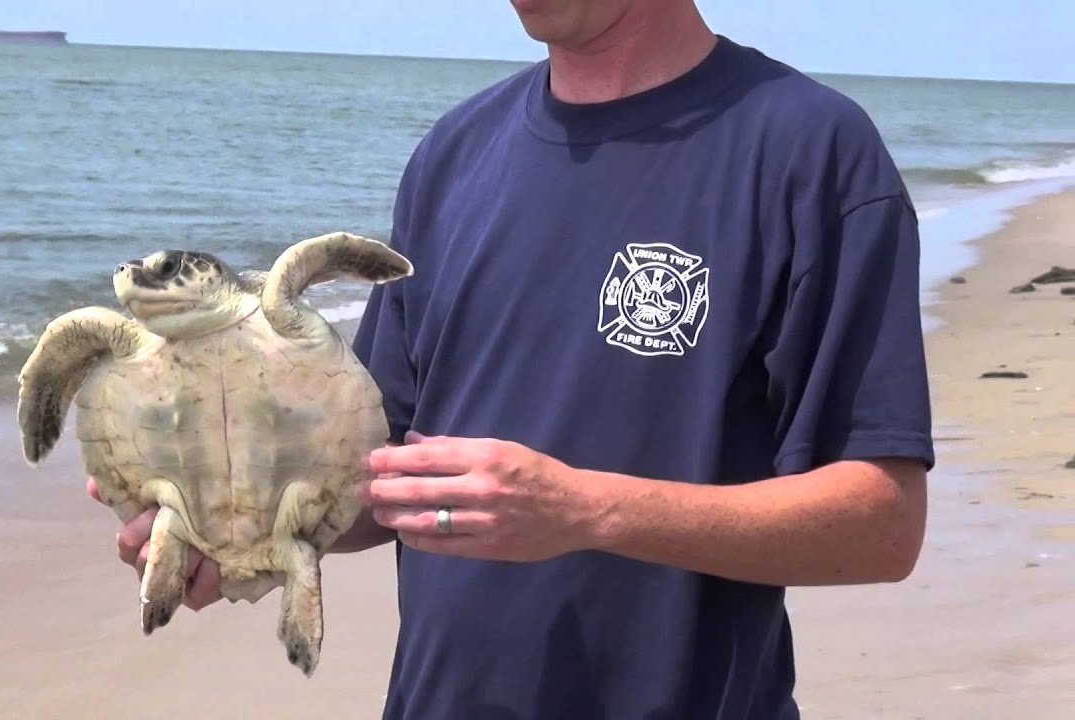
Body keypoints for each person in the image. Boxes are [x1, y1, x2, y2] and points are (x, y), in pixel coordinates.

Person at [98, 1, 934, 717]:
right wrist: (228, 526)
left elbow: (883, 526)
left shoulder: (810, 153)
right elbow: (377, 482)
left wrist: (586, 510)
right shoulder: (455, 156)